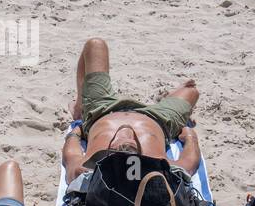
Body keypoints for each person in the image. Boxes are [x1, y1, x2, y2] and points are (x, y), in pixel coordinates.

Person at [62, 37, 201, 183]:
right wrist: (190, 137)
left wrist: (76, 132)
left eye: (118, 145)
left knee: (95, 44)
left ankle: (79, 106)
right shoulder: (158, 166)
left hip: (101, 110)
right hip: (159, 118)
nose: (127, 134)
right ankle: (168, 98)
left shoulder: (86, 168)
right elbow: (188, 165)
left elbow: (71, 157)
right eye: (132, 144)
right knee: (192, 91)